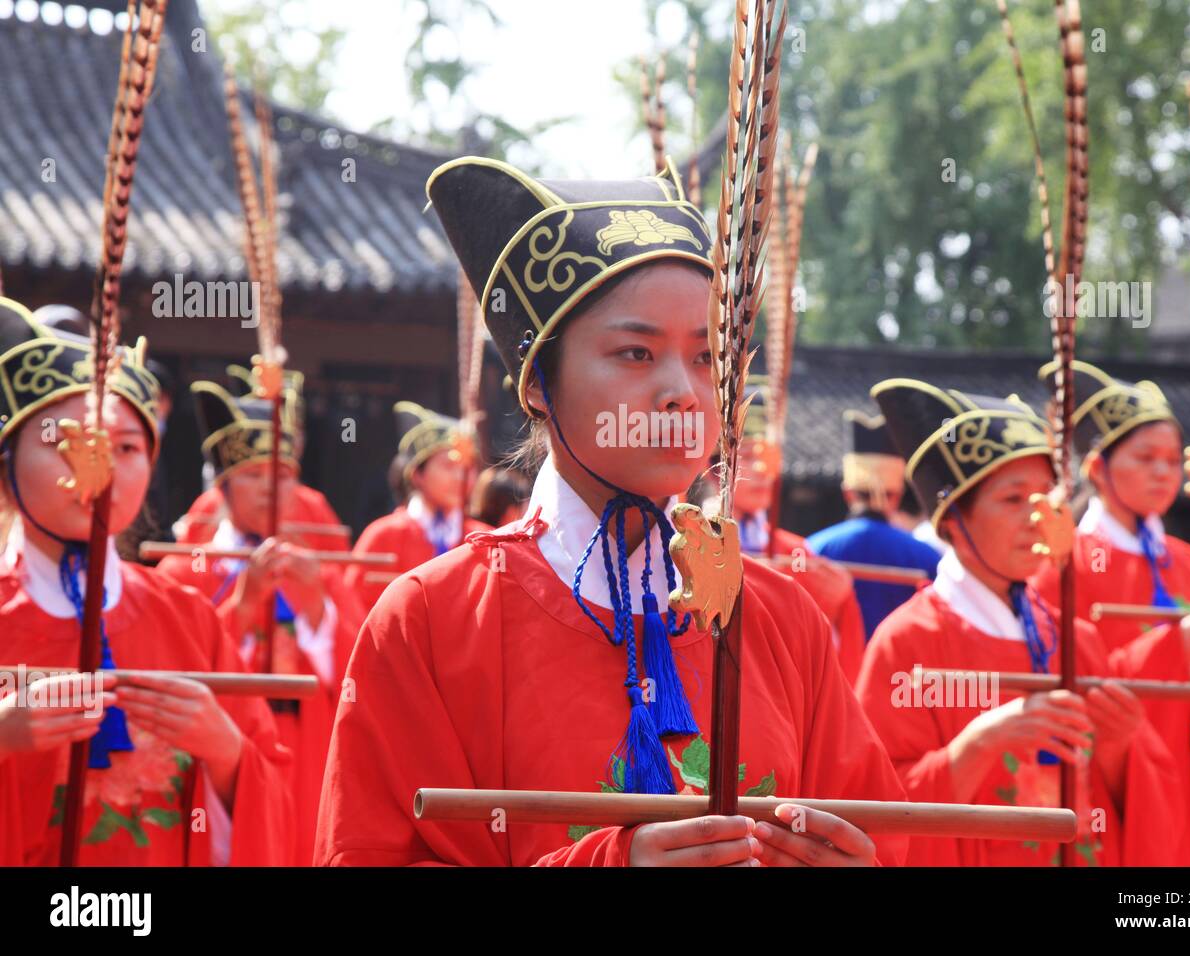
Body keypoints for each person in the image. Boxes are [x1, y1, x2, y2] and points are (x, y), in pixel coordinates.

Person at [316, 156, 909, 867]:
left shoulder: (784, 617)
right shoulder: (430, 621)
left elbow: (883, 832)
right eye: (635, 352)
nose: (683, 394)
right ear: (538, 381)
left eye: (707, 357)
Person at [0, 296, 291, 865]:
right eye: (64, 443)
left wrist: (225, 750)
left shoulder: (187, 616)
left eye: (126, 446)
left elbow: (274, 786)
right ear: (6, 466)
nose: (99, 468)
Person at [856, 377, 1182, 865]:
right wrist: (983, 742)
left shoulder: (1076, 639)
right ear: (952, 522)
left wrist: (1119, 745)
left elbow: (1137, 805)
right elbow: (874, 810)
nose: (1038, 516)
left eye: (1046, 498)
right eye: (1013, 500)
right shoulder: (907, 642)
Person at [1029, 360, 1190, 865]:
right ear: (1096, 468)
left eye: (1173, 460)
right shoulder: (1066, 568)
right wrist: (1172, 650)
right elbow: (1067, 681)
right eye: (1145, 457)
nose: (1163, 471)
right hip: (1131, 788)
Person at [155, 379, 364, 865]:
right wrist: (241, 610)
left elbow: (362, 681)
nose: (273, 487)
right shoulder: (184, 572)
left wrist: (318, 610)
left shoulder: (322, 573)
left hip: (309, 748)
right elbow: (176, 677)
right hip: (227, 756)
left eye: (286, 475)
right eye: (254, 476)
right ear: (222, 486)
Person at [725, 378, 866, 680]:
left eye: (769, 459)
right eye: (749, 457)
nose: (764, 472)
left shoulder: (797, 552)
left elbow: (833, 662)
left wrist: (833, 604)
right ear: (717, 465)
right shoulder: (680, 543)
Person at [173, 365, 348, 553]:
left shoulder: (314, 506)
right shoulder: (208, 505)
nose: (268, 487)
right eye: (253, 474)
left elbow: (340, 571)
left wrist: (312, 579)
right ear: (225, 484)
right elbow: (187, 562)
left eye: (281, 476)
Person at [807, 408, 940, 641]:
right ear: (898, 496)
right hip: (903, 672)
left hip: (833, 671)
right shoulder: (927, 556)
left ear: (848, 494)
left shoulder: (812, 550)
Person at [344, 402, 491, 611]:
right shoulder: (383, 535)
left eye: (468, 468)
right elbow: (352, 610)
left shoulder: (485, 539)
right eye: (448, 466)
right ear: (417, 474)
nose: (461, 477)